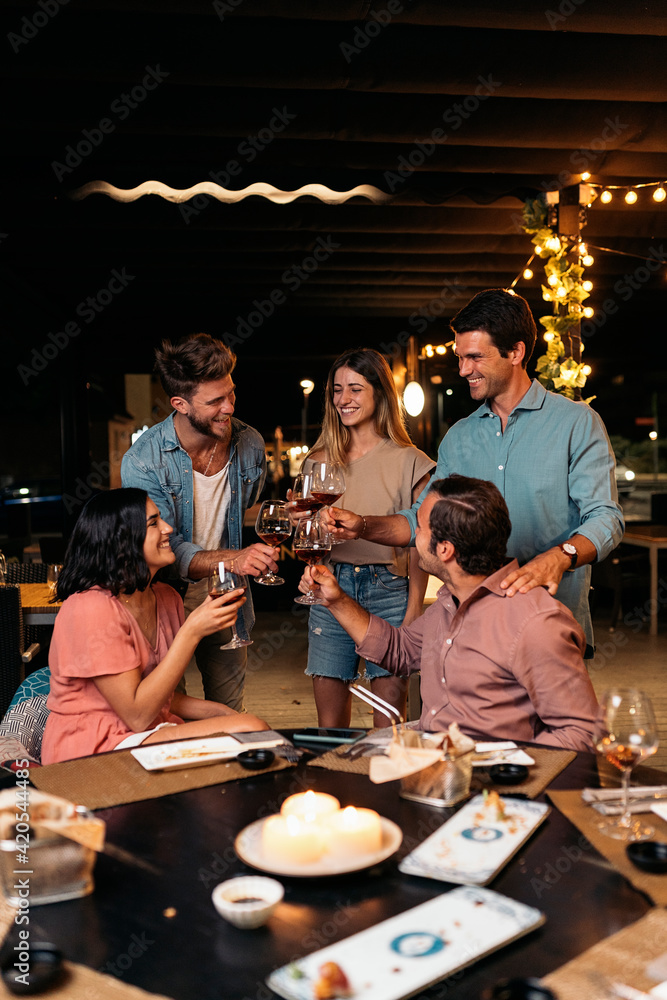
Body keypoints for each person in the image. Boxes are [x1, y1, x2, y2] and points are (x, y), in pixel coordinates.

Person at [324, 289, 623, 655]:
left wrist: (559, 557)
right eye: (460, 357)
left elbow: (606, 518)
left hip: (551, 627)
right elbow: (422, 520)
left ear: (515, 353)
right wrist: (362, 526)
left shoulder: (576, 422)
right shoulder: (459, 436)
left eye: (475, 357)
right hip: (471, 629)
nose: (463, 369)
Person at [301, 476, 598, 751]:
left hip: (487, 789)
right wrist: (336, 600)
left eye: (419, 528)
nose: (414, 535)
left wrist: (499, 769)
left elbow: (582, 732)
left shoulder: (536, 623)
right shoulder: (449, 601)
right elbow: (399, 650)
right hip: (431, 765)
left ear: (445, 549)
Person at [42, 489, 269, 765]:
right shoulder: (90, 608)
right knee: (249, 732)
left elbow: (159, 698)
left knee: (251, 729)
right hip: (92, 749)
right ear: (122, 540)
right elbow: (137, 715)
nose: (168, 529)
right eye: (153, 523)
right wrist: (192, 630)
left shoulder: (166, 597)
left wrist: (219, 713)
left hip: (145, 732)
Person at [121, 333, 278, 711]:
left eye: (231, 394)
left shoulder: (251, 444)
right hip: (162, 597)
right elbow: (165, 547)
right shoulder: (143, 461)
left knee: (227, 706)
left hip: (225, 594)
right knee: (168, 709)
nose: (229, 408)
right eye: (214, 401)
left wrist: (283, 515)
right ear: (180, 404)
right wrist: (234, 559)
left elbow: (242, 509)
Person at [303, 349, 434, 728]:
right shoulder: (317, 461)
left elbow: (418, 541)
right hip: (331, 589)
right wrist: (304, 527)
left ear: (380, 393)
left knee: (389, 725)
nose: (344, 399)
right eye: (337, 390)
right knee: (330, 728)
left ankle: (388, 787)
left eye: (356, 389)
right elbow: (312, 539)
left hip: (390, 590)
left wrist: (414, 611)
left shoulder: (412, 461)